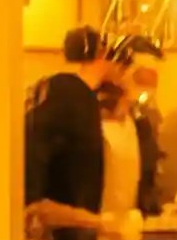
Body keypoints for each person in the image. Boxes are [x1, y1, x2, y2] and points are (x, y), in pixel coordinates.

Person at [24, 26, 135, 215]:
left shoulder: (48, 91)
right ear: (102, 54)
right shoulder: (76, 99)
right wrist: (102, 225)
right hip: (63, 234)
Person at [96, 80, 160, 215]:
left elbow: (147, 173)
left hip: (130, 214)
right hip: (99, 216)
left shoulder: (137, 128)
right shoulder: (89, 131)